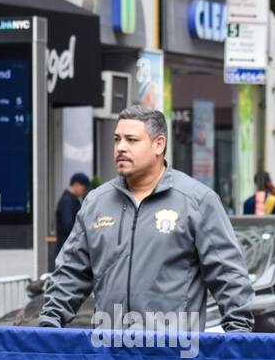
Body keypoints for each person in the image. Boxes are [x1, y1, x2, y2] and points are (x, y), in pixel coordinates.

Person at [41, 105, 254, 332]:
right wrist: (48, 324)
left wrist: (238, 336)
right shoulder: (96, 202)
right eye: (117, 139)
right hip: (110, 356)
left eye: (131, 140)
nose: (120, 148)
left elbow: (228, 276)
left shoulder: (198, 201)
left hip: (173, 357)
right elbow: (70, 273)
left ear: (158, 144)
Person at [55, 172, 91, 252]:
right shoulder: (67, 201)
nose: (84, 192)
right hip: (68, 250)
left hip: (69, 248)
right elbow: (68, 226)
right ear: (76, 184)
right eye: (84, 189)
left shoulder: (71, 200)